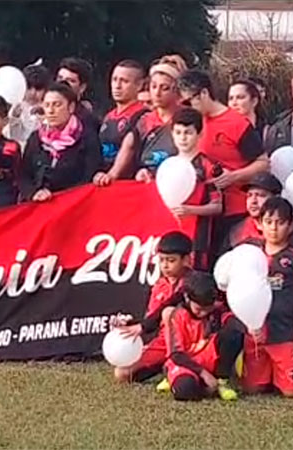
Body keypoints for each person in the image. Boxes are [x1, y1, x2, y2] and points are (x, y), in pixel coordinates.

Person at [177, 69, 267, 265]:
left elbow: (263, 163)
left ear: (204, 94)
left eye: (189, 101)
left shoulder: (236, 123)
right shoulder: (193, 122)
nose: (187, 107)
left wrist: (234, 176)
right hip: (199, 210)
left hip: (234, 211)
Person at [240, 197, 293, 397]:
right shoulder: (249, 256)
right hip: (256, 336)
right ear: (259, 224)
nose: (274, 228)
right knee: (253, 390)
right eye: (269, 222)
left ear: (290, 226)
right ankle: (265, 373)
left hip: (286, 334)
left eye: (280, 223)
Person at [139, 108, 222, 270]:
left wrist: (190, 210)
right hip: (166, 232)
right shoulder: (167, 165)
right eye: (178, 132)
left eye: (188, 133)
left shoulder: (209, 167)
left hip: (198, 237)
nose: (183, 138)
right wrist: (143, 175)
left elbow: (218, 206)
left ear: (199, 134)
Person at [113, 231, 192, 390]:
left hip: (189, 343)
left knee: (168, 312)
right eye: (162, 260)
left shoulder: (194, 282)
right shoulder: (159, 286)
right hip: (162, 343)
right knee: (121, 373)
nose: (165, 265)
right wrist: (129, 324)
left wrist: (142, 326)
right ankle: (163, 365)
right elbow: (152, 319)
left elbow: (172, 302)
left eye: (171, 260)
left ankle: (175, 367)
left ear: (186, 260)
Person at [165, 271, 244, 401]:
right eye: (198, 309)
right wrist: (203, 373)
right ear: (187, 298)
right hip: (186, 364)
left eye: (207, 309)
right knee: (185, 389)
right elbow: (176, 355)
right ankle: (205, 388)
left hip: (210, 358)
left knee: (234, 332)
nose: (203, 313)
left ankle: (222, 381)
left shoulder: (217, 309)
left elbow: (232, 324)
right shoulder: (176, 316)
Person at [20, 82, 101, 202]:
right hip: (38, 204)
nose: (51, 111)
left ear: (71, 107)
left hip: (73, 205)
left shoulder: (87, 137)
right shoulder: (36, 138)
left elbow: (89, 175)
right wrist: (33, 193)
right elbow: (23, 174)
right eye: (47, 105)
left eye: (57, 105)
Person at [93, 60, 147, 185]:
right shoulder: (108, 116)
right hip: (101, 179)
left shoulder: (143, 115)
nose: (117, 85)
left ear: (139, 85)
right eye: (114, 79)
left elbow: (130, 147)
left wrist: (112, 174)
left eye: (124, 81)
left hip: (124, 184)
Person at [133, 57, 184, 176]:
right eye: (154, 86)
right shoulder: (143, 121)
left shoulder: (189, 118)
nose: (157, 93)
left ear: (176, 90)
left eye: (164, 88)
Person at [225, 172, 282, 249]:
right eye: (249, 195)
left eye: (261, 195)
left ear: (276, 198)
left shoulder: (288, 231)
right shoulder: (237, 230)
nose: (253, 201)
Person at [6, 64, 52, 149]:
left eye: (38, 89)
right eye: (29, 87)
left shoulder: (51, 107)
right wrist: (15, 117)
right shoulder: (17, 106)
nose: (33, 93)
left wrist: (44, 117)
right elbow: (13, 136)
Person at [56, 57, 100, 134]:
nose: (63, 84)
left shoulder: (88, 121)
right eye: (60, 78)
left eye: (70, 81)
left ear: (82, 87)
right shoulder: (44, 113)